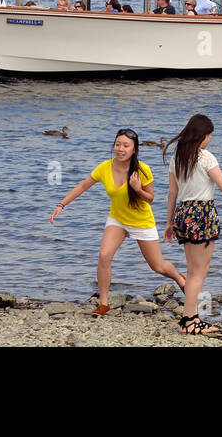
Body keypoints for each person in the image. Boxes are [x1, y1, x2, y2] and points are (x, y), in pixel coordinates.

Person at [50, 129, 186, 315]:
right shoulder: (105, 167)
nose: (120, 149)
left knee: (158, 266)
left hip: (141, 221)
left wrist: (137, 188)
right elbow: (83, 185)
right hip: (118, 219)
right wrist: (62, 204)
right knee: (104, 255)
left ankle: (180, 279)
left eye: (126, 145)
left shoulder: (142, 170)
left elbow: (150, 199)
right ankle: (104, 303)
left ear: (134, 149)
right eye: (118, 144)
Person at [164, 114, 222, 335]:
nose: (210, 140)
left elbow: (172, 193)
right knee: (199, 272)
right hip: (202, 214)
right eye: (209, 136)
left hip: (183, 213)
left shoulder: (177, 157)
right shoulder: (206, 158)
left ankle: (189, 318)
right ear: (203, 136)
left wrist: (169, 222)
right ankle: (190, 321)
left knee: (192, 270)